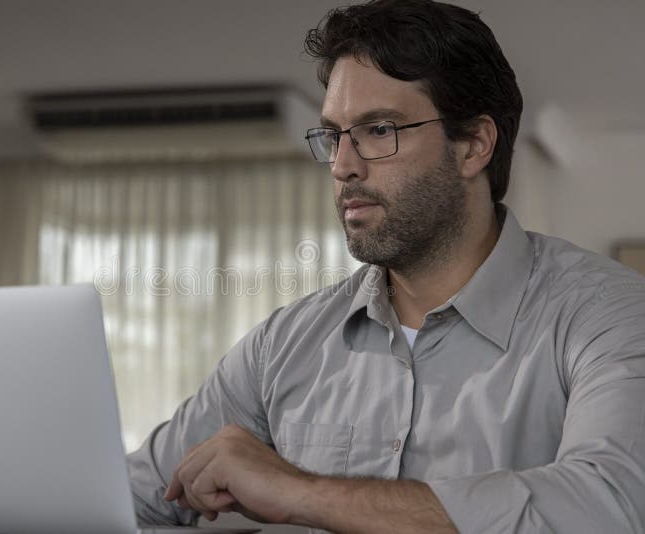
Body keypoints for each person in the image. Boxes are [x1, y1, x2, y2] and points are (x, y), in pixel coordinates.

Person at [127, 0, 645, 532]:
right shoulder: (281, 347)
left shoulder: (608, 314)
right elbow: (131, 496)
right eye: (333, 135)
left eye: (379, 130)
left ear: (473, 145)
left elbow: (611, 504)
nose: (344, 167)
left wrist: (301, 492)